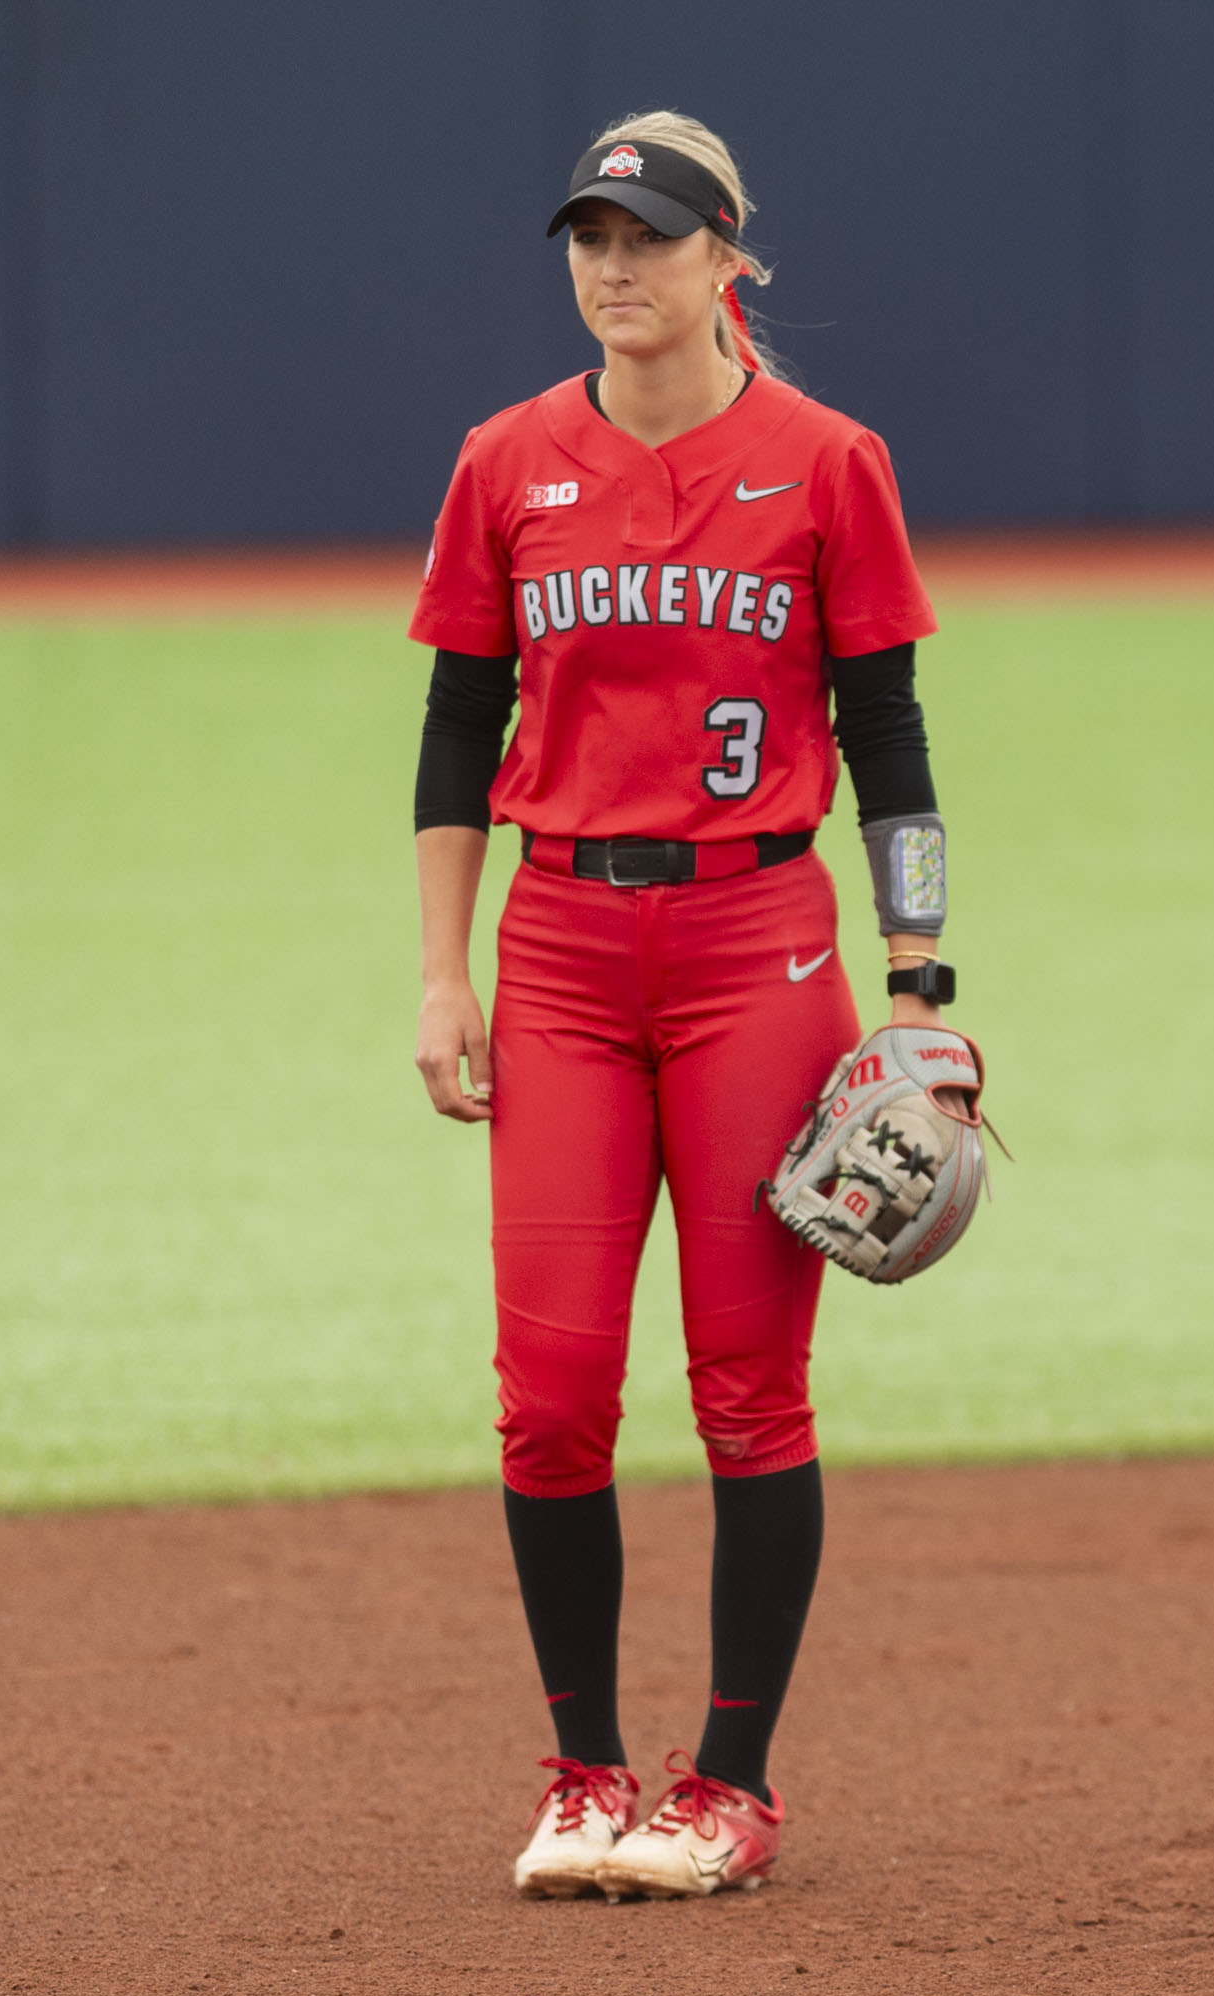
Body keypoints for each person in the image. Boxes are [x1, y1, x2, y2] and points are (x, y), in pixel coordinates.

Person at [407, 111, 956, 1900]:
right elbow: (455, 732)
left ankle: (730, 1785)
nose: (615, 266)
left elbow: (890, 740)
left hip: (760, 953)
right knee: (553, 1392)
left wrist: (920, 985)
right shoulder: (507, 461)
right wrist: (445, 972)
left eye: (650, 236)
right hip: (561, 951)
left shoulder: (828, 463)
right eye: (592, 235)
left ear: (730, 259)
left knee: (748, 1390)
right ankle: (583, 1778)